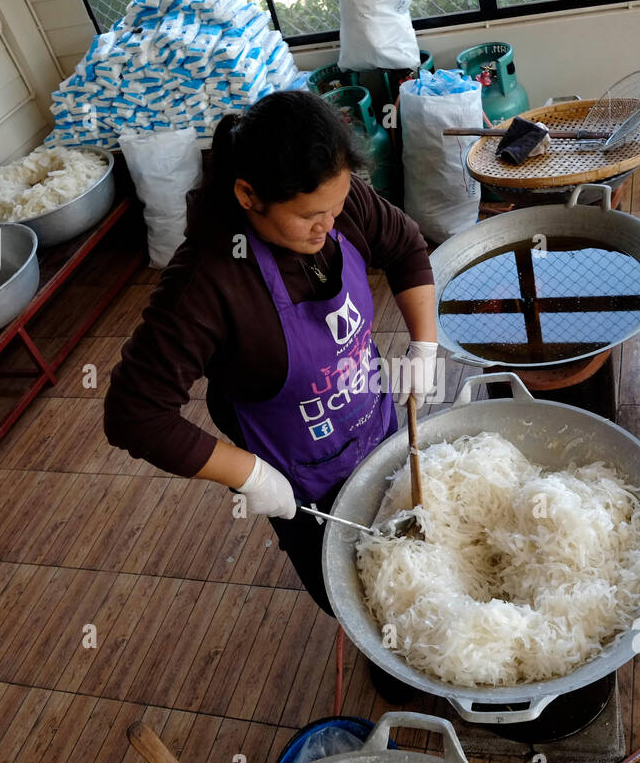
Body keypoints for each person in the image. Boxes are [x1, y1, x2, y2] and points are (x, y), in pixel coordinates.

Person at [103, 91, 437, 702]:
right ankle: (398, 677)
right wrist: (251, 476)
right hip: (306, 490)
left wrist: (424, 347)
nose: (328, 225)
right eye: (309, 216)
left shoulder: (334, 200)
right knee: (360, 597)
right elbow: (133, 413)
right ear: (248, 195)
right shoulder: (207, 283)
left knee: (424, 558)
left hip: (382, 431)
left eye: (336, 208)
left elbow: (408, 247)